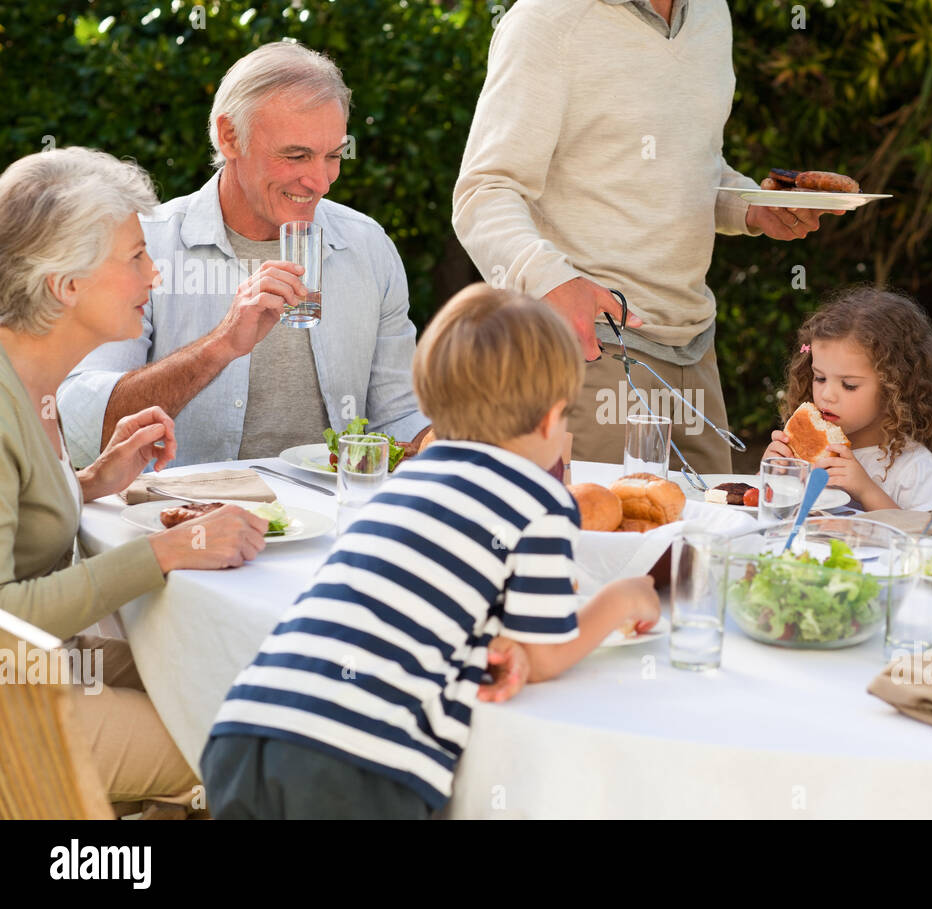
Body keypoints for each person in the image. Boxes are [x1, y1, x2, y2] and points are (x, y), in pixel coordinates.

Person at [199, 284, 661, 819]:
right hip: (358, 766)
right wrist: (624, 600)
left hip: (246, 728)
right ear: (548, 420)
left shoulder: (404, 481)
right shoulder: (540, 502)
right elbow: (544, 655)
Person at [453, 0, 839, 475]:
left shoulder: (710, 14)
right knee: (586, 540)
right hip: (587, 350)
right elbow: (483, 191)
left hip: (694, 347)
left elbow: (691, 166)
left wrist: (750, 206)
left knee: (705, 543)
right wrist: (553, 282)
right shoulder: (545, 20)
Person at [0, 147, 271, 816]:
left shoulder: (30, 383)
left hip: (38, 667)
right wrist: (166, 552)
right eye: (134, 258)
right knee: (240, 752)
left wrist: (93, 480)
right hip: (14, 697)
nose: (155, 274)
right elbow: (8, 617)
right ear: (65, 284)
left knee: (231, 682)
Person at [58, 42, 430, 469]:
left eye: (333, 156)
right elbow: (82, 423)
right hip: (181, 518)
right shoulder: (145, 246)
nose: (321, 182)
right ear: (230, 136)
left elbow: (398, 416)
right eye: (296, 156)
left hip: (333, 522)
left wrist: (449, 438)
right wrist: (219, 345)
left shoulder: (369, 246)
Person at [762, 288, 932, 512]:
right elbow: (771, 517)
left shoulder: (915, 467)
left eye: (849, 385)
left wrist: (866, 490)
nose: (826, 395)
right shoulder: (805, 452)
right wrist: (772, 475)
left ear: (895, 388)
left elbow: (931, 540)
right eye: (820, 378)